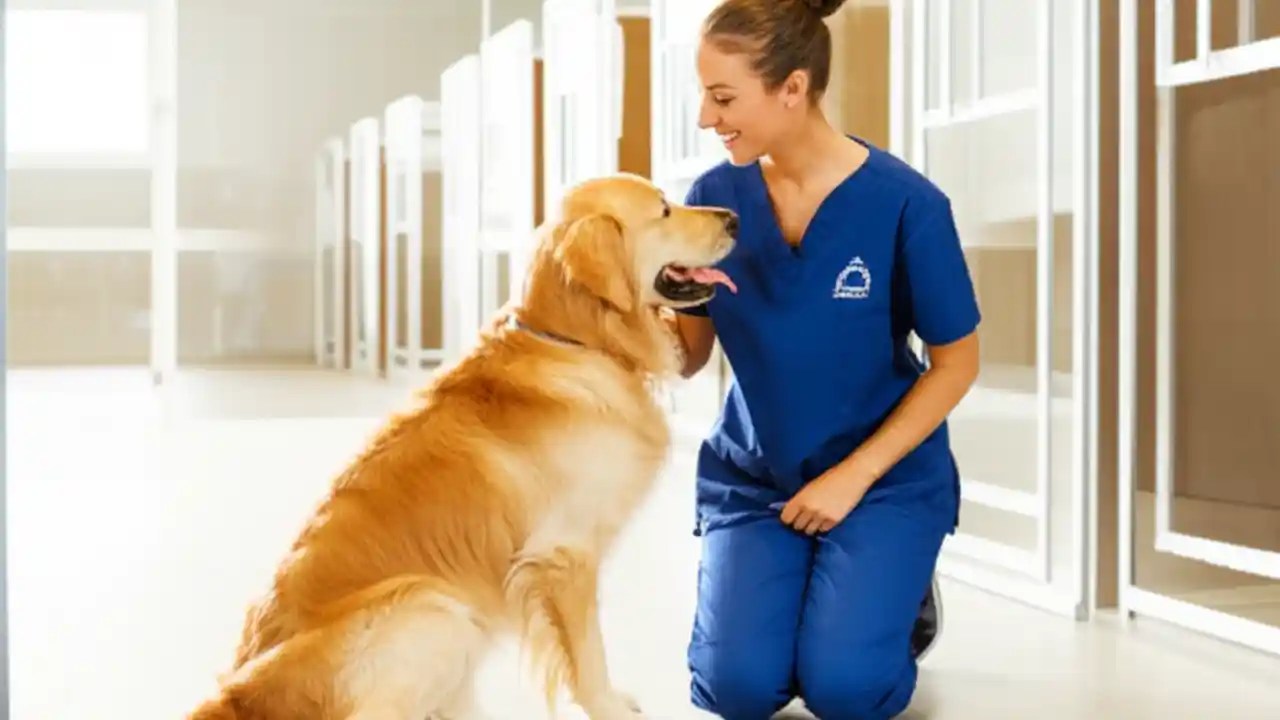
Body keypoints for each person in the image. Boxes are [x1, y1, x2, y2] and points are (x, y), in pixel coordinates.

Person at [668, 0, 982, 718]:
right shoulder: (714, 201)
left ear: (793, 87)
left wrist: (851, 479)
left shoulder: (907, 205)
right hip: (757, 478)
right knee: (735, 689)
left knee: (846, 690)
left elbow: (957, 363)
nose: (705, 119)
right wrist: (667, 299)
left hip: (881, 481)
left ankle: (899, 598)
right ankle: (826, 598)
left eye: (722, 98)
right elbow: (689, 361)